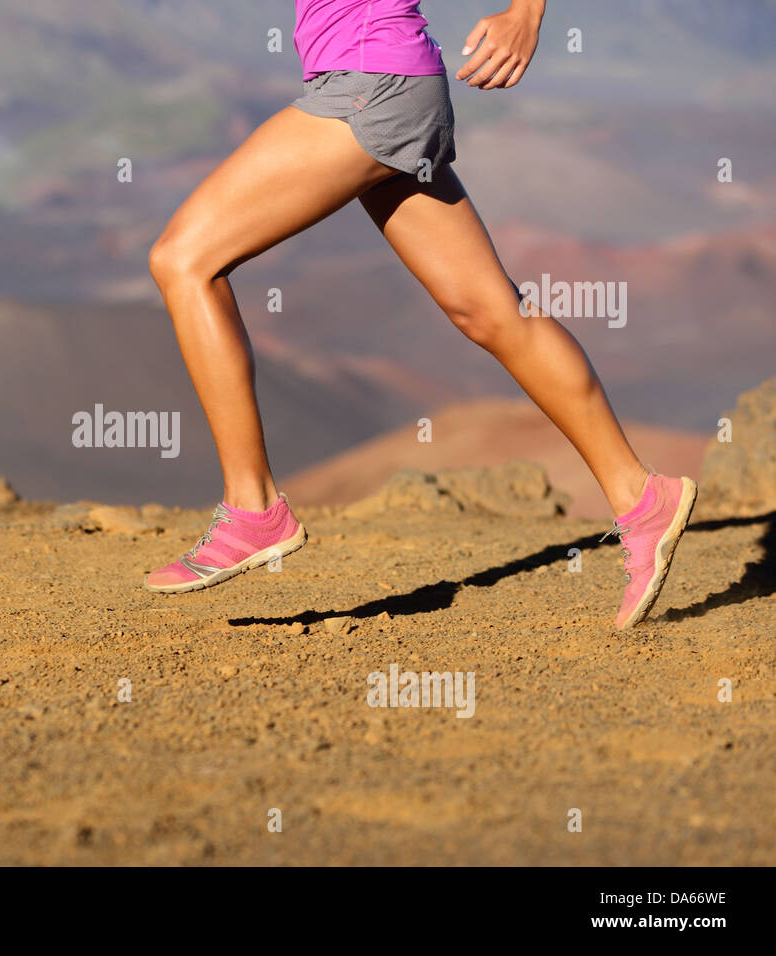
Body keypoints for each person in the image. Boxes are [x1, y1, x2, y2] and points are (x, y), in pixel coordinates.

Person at [143, 0, 696, 629]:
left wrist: (526, 14)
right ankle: (642, 498)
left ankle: (253, 508)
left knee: (184, 260)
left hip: (369, 88)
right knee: (488, 312)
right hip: (385, 85)